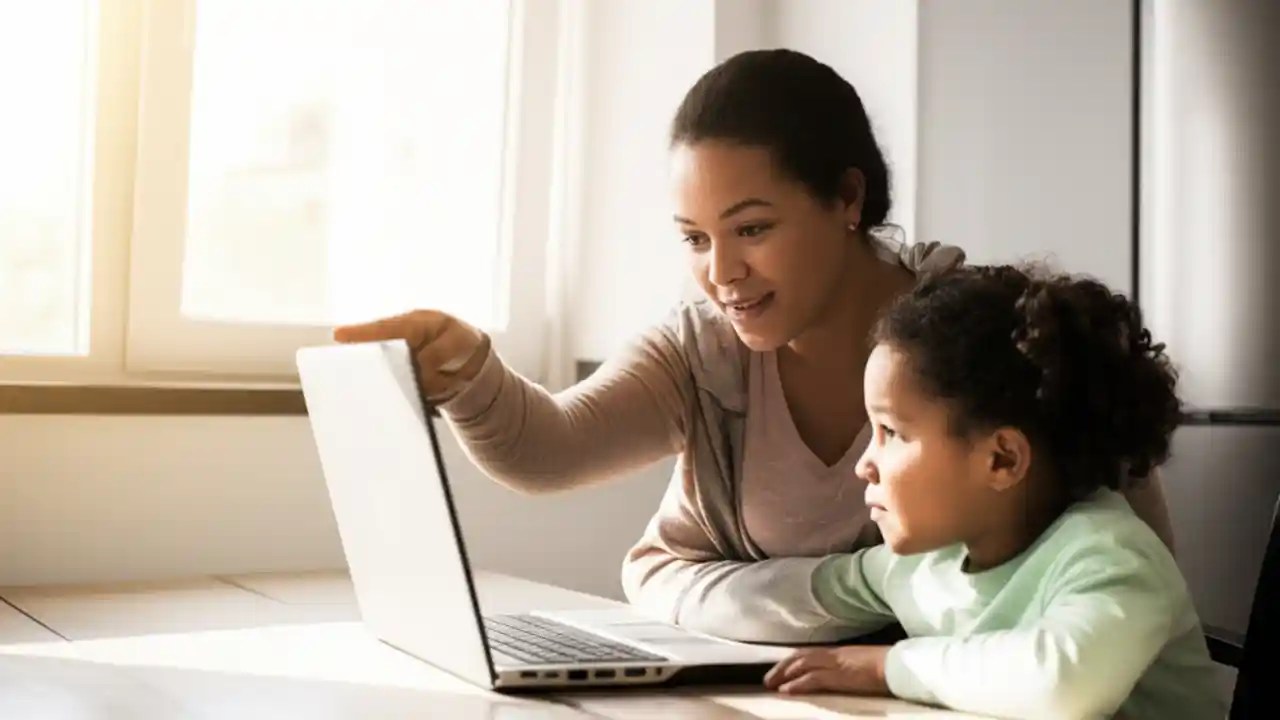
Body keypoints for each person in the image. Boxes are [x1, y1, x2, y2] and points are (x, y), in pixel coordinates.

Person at [332, 49, 1175, 641]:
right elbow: (550, 451)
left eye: (753, 229)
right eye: (694, 239)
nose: (722, 273)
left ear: (847, 197)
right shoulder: (703, 349)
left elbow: (1137, 551)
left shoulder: (981, 330)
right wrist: (468, 373)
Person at [748, 264, 1226, 719]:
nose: (863, 466)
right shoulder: (921, 565)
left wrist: (886, 667)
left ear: (1002, 459)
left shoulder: (1113, 558)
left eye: (891, 432)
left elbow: (1060, 682)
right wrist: (673, 592)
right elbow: (796, 595)